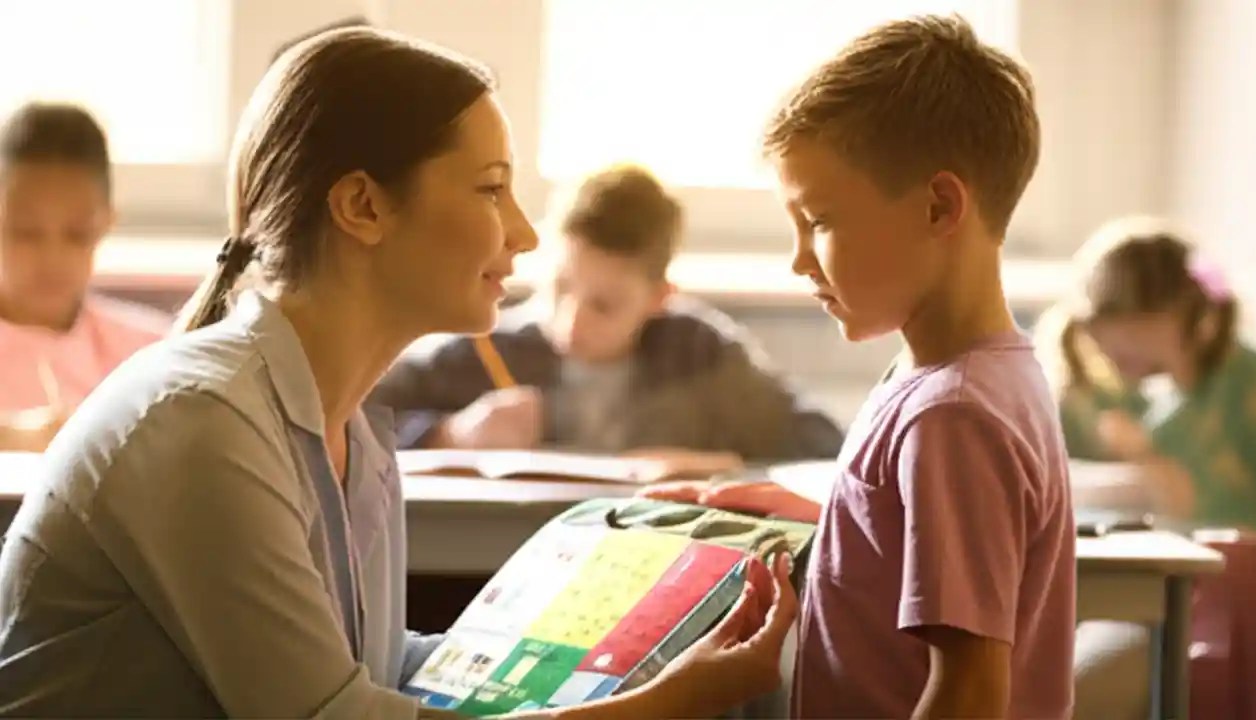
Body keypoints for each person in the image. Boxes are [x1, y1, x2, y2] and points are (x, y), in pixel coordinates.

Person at [0, 27, 794, 719]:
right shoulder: (200, 420)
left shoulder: (355, 429)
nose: (521, 232)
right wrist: (664, 707)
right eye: (491, 189)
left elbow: (372, 672)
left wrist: (617, 647)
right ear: (363, 207)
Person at [654, 14, 1076, 718]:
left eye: (818, 220)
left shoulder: (953, 414)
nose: (798, 260)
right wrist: (839, 525)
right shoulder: (966, 376)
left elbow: (967, 692)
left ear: (940, 206)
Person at [373, 163, 842, 462]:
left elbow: (822, 442)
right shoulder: (483, 348)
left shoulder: (699, 355)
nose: (571, 322)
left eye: (604, 305)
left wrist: (722, 464)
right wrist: (448, 436)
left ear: (661, 297)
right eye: (559, 288)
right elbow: (355, 419)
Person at [1037, 217, 1256, 720]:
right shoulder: (1170, 402)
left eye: (1108, 329)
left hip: (1236, 613)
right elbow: (1172, 495)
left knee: (1069, 695)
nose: (1101, 347)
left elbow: (1201, 503)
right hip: (1190, 601)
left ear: (1158, 317)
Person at [0, 103, 166, 451]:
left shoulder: (153, 354)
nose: (52, 258)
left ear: (107, 222)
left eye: (76, 233)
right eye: (26, 232)